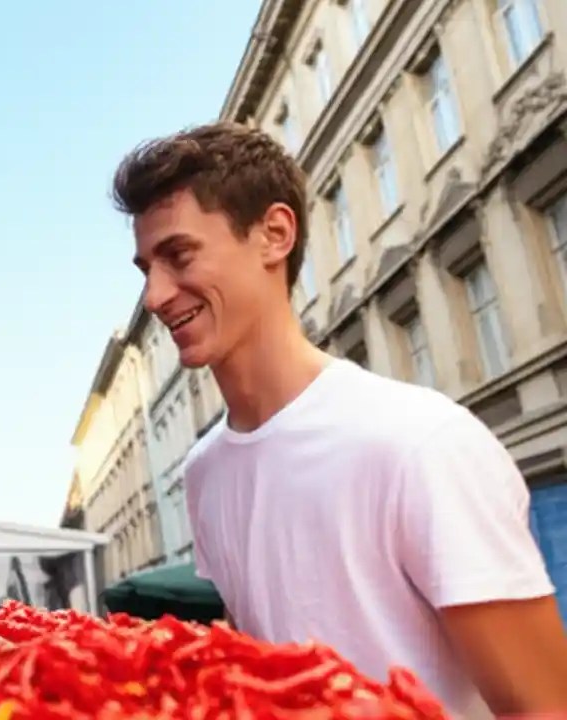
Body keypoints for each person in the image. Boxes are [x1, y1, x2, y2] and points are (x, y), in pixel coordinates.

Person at [112, 122, 567, 718]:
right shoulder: (205, 472)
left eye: (178, 255)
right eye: (146, 268)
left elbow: (545, 705)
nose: (154, 296)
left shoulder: (421, 442)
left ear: (275, 234)